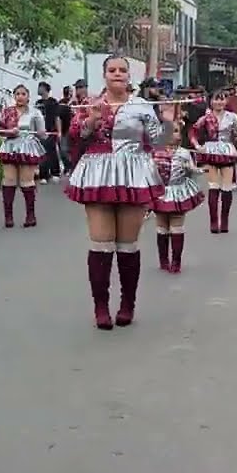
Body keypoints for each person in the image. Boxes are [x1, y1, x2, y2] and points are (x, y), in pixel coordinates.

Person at [64, 55, 175, 329]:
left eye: (122, 70)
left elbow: (159, 141)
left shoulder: (142, 106)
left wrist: (169, 122)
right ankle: (100, 307)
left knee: (127, 245)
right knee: (101, 243)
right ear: (104, 75)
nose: (117, 74)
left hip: (133, 174)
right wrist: (91, 119)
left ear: (129, 76)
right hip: (97, 174)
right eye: (111, 70)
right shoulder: (90, 102)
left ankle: (128, 304)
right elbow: (75, 137)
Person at [188, 88, 237, 234]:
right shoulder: (206, 118)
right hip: (210, 151)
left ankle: (224, 220)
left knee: (227, 187)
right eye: (216, 99)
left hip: (227, 151)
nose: (219, 102)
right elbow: (192, 132)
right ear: (211, 101)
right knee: (213, 186)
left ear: (226, 101)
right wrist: (198, 146)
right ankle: (214, 221)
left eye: (222, 99)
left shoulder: (232, 117)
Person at [152, 120, 203, 273]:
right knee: (161, 227)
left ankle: (176, 261)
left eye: (177, 131)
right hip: (160, 193)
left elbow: (192, 170)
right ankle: (163, 260)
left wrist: (192, 169)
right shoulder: (155, 152)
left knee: (176, 226)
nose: (175, 134)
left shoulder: (184, 153)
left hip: (178, 192)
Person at [0, 84, 48, 228]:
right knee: (9, 180)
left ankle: (30, 215)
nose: (20, 96)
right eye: (17, 94)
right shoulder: (7, 112)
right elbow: (0, 130)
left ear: (28, 96)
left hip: (27, 147)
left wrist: (42, 133)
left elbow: (42, 133)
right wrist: (9, 132)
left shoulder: (35, 113)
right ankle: (8, 217)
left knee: (27, 181)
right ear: (14, 96)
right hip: (10, 146)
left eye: (23, 94)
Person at [34, 82, 62, 183]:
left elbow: (57, 117)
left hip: (51, 131)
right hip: (40, 131)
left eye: (40, 87)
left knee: (52, 152)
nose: (38, 89)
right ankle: (44, 175)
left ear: (45, 89)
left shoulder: (53, 102)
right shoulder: (38, 103)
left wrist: (59, 132)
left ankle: (55, 173)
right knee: (42, 153)